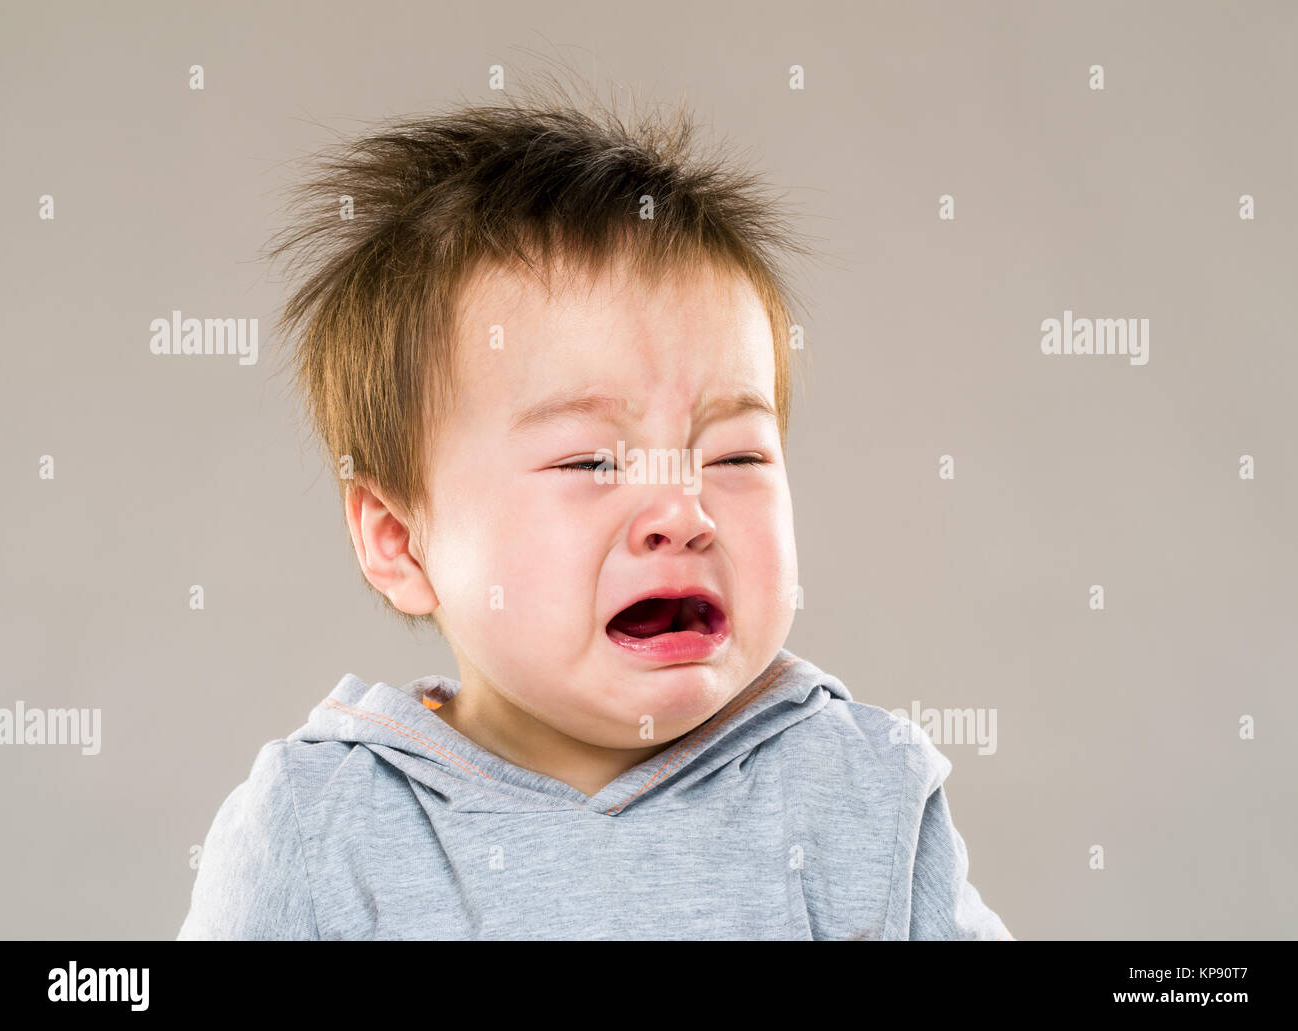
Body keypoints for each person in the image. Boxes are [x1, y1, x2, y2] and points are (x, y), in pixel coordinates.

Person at [178, 78, 1012, 940]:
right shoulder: (320, 835)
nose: (683, 512)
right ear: (402, 543)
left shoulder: (860, 795)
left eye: (736, 455)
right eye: (590, 459)